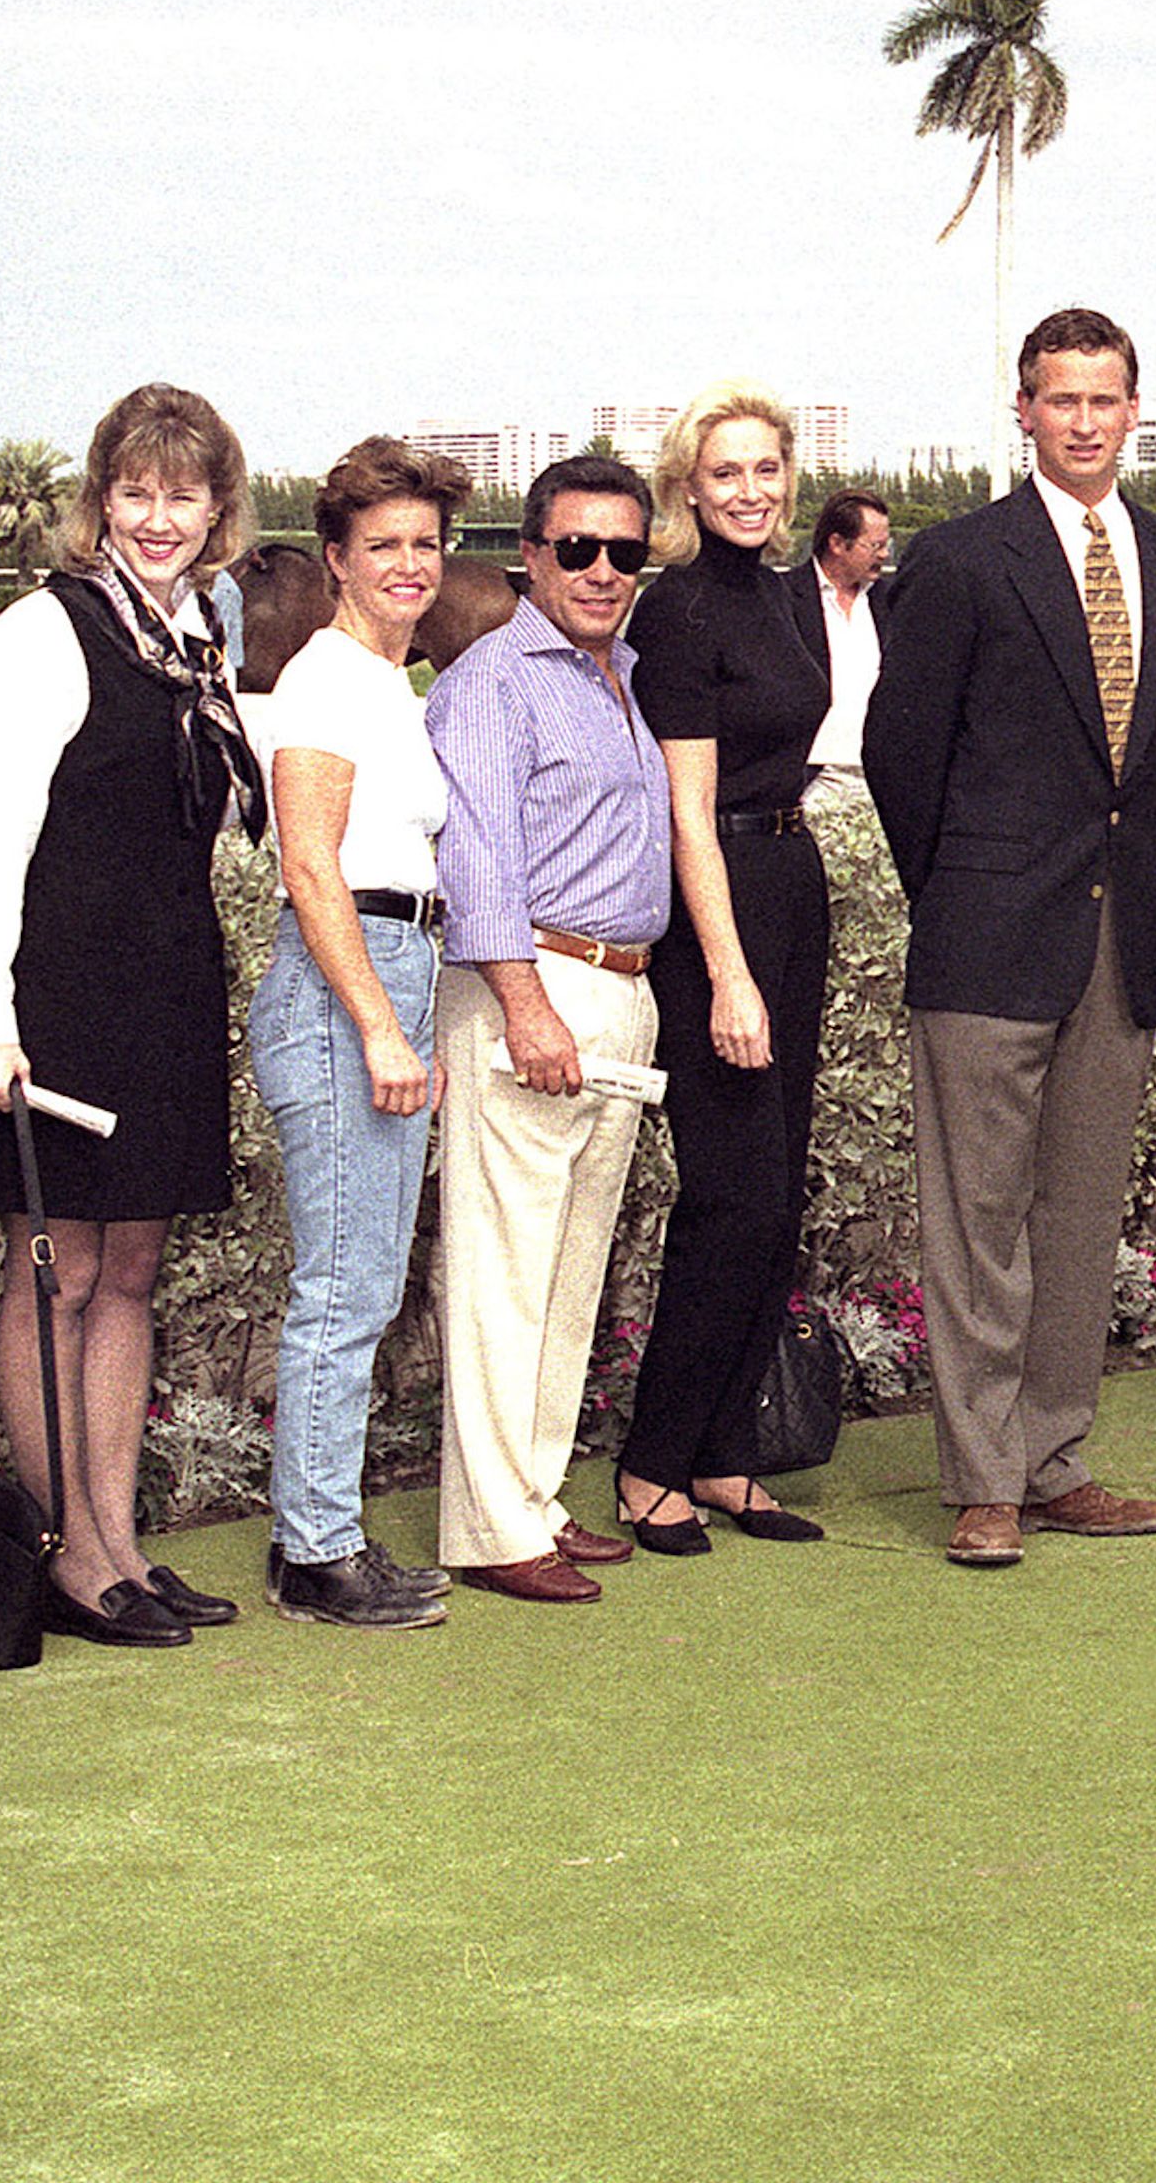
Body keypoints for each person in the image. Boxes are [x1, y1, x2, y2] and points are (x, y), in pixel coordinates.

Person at [864, 309, 1156, 1570]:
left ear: (1136, 410)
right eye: (1058, 399)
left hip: (1116, 941)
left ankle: (1055, 1460)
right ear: (1022, 409)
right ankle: (982, 1480)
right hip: (982, 938)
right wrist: (965, 887)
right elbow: (901, 756)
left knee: (1077, 1219)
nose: (1082, 420)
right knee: (978, 1219)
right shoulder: (961, 560)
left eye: (1103, 399)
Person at [0, 382, 267, 1650]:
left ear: (218, 508)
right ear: (101, 501)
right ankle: (71, 1554)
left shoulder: (193, 637)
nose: (158, 516)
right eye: (136, 492)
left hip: (166, 984)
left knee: (130, 1273)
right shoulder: (47, 629)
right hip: (61, 994)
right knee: (59, 1271)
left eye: (183, 494)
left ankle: (121, 1540)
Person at [425, 453, 672, 1604]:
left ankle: (530, 1497)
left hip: (620, 990)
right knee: (504, 1268)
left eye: (625, 550)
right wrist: (525, 1006)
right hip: (533, 989)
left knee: (572, 1271)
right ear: (529, 553)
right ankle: (487, 1530)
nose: (602, 570)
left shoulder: (621, 674)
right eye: (578, 547)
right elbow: (476, 858)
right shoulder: (490, 681)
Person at [249, 436, 471, 1629]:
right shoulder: (328, 681)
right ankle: (313, 1555)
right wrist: (383, 1030)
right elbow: (308, 865)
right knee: (342, 1291)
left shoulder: (388, 681)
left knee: (366, 1284)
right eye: (381, 545)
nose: (406, 565)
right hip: (347, 984)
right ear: (335, 558)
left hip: (393, 965)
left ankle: (325, 1530)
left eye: (423, 545)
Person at [612, 384, 834, 1555]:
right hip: (723, 907)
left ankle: (722, 1453)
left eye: (764, 469)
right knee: (732, 1197)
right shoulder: (682, 610)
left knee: (779, 1192)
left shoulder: (789, 596)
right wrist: (728, 974)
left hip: (796, 888)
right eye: (724, 472)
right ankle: (651, 1462)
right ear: (686, 489)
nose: (748, 490)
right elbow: (686, 815)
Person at [800, 486, 892, 795]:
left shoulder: (892, 601)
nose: (885, 554)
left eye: (886, 544)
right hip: (807, 782)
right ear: (837, 544)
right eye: (875, 545)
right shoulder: (783, 599)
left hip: (880, 779)